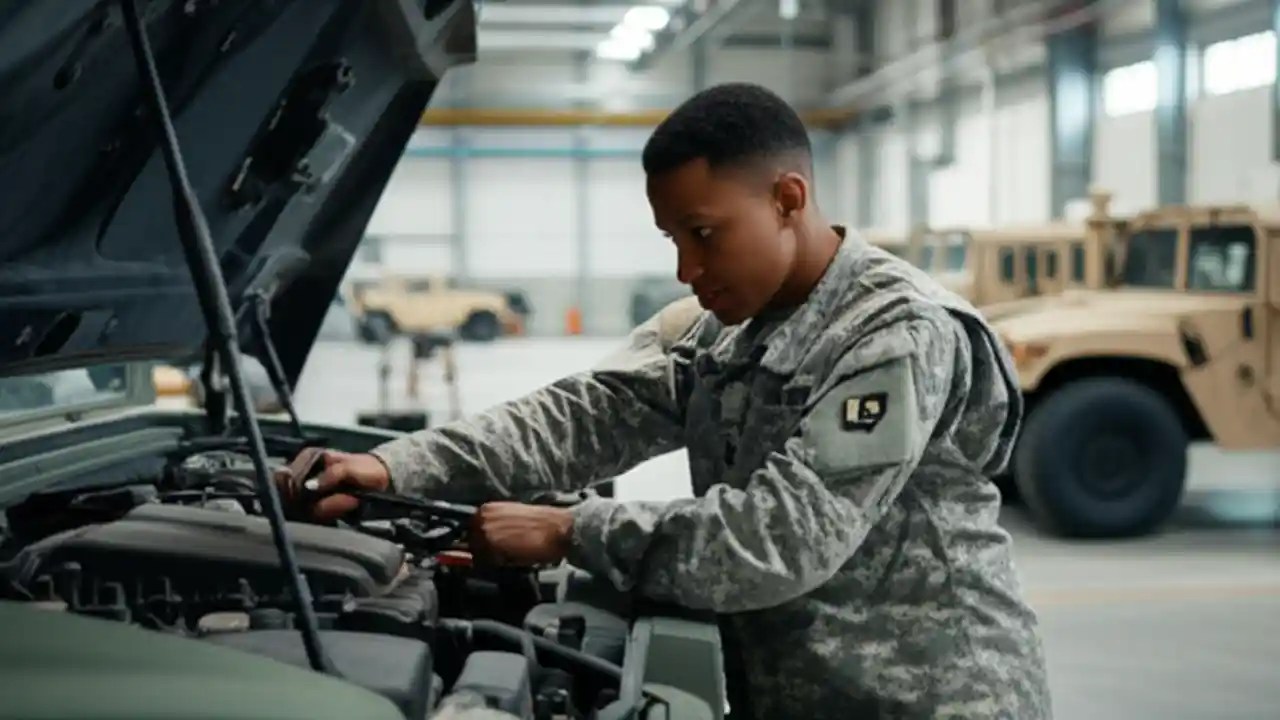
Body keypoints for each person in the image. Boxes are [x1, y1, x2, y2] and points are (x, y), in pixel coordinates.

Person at [283, 82, 1052, 719]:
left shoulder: (897, 333)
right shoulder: (727, 330)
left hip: (932, 699)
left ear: (788, 198)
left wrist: (569, 530)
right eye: (672, 239)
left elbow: (779, 540)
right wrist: (394, 467)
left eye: (704, 233)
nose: (687, 267)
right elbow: (585, 417)